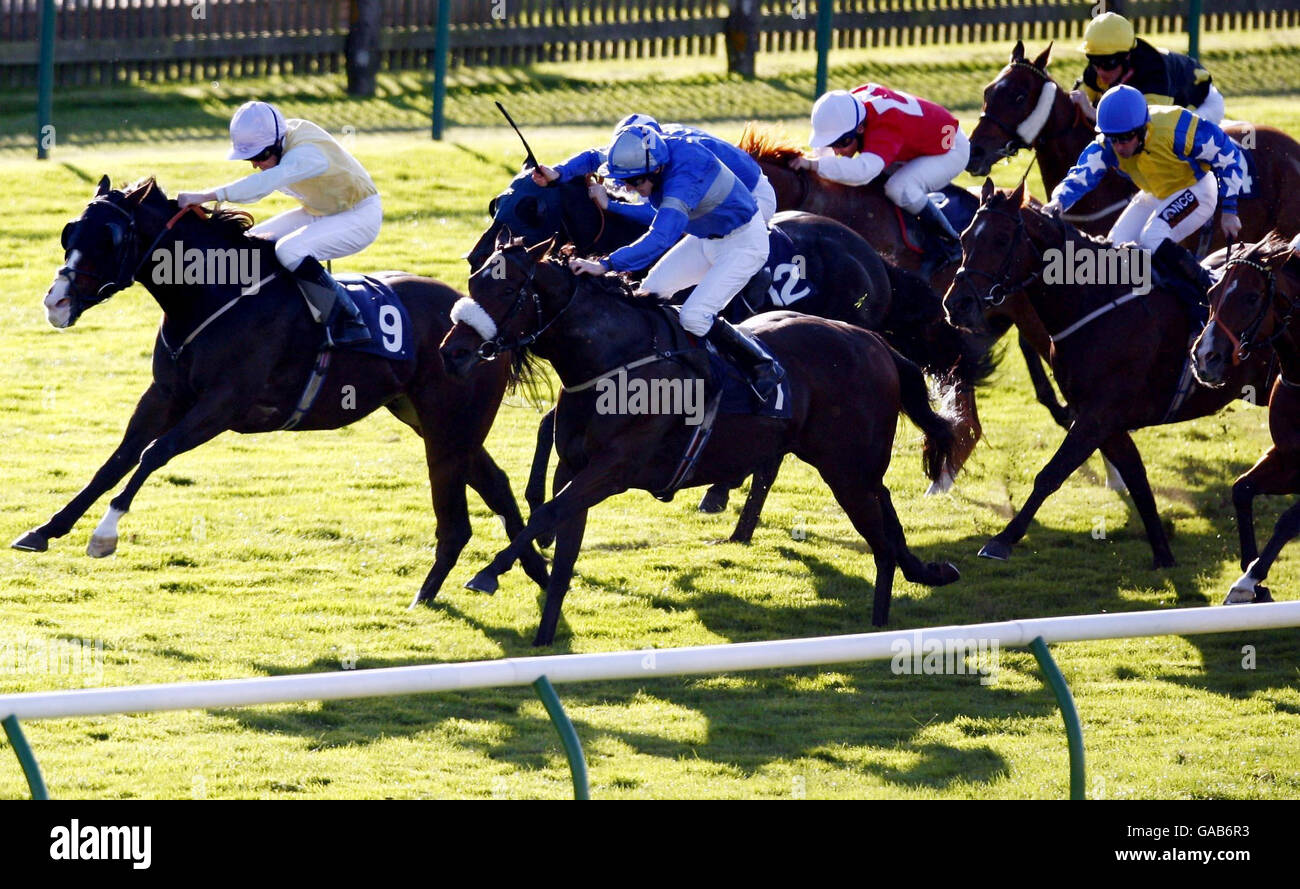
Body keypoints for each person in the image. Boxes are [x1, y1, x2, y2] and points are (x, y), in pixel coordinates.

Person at [562, 124, 783, 402]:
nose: (630, 189)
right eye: (626, 183)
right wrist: (558, 172)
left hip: (743, 245)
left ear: (656, 170)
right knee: (648, 293)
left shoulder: (684, 178)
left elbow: (660, 237)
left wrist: (606, 264)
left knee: (694, 315)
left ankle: (761, 365)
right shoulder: (647, 153)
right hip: (705, 240)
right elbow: (595, 157)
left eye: (634, 182)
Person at [177, 101, 380, 346]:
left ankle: (348, 320)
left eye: (259, 156)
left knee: (290, 250)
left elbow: (265, 183)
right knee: (250, 243)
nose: (255, 164)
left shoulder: (307, 153)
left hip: (359, 215)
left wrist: (206, 195)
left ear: (276, 143)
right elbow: (262, 184)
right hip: (321, 210)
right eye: (249, 159)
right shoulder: (282, 138)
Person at [1044, 85, 1246, 309]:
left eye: (1126, 138)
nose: (1119, 146)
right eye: (1113, 139)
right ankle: (1139, 309)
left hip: (1197, 189)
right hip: (1156, 192)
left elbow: (1229, 155)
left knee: (1152, 237)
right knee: (1115, 249)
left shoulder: (1175, 127)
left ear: (1142, 129)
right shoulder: (1106, 146)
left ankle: (1205, 292)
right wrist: (1058, 201)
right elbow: (1081, 174)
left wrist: (1229, 210)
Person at [789, 84, 969, 275]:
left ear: (860, 129)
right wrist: (813, 162)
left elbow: (863, 172)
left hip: (950, 150)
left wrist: (814, 165)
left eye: (842, 143)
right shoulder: (850, 111)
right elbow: (824, 155)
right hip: (919, 139)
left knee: (899, 188)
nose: (838, 151)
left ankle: (950, 243)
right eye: (831, 143)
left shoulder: (885, 126)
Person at [532, 113, 777, 224]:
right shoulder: (642, 147)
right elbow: (593, 156)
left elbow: (662, 215)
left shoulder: (684, 162)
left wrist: (611, 205)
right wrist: (559, 172)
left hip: (754, 195)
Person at [1071, 11, 1223, 125]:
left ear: (1127, 56)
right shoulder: (1096, 70)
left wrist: (1092, 112)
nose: (1100, 71)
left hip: (1201, 101)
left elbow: (1144, 126)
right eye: (1094, 60)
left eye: (1108, 63)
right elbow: (1074, 107)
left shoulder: (1154, 74)